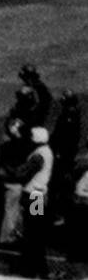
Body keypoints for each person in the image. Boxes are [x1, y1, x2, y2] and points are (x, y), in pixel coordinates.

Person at [11, 127, 54, 278]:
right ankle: (38, 267)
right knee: (35, 232)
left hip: (35, 195)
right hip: (39, 194)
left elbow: (24, 172)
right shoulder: (46, 151)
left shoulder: (39, 155)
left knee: (32, 231)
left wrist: (13, 172)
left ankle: (30, 268)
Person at [0, 118, 30, 247]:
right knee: (28, 214)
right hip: (35, 189)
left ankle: (14, 235)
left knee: (14, 210)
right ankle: (11, 237)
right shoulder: (38, 152)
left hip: (24, 185)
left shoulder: (6, 146)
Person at [51, 91, 81, 221]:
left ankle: (39, 215)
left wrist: (59, 153)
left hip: (63, 156)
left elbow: (63, 137)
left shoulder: (69, 116)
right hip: (65, 156)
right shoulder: (71, 114)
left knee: (51, 187)